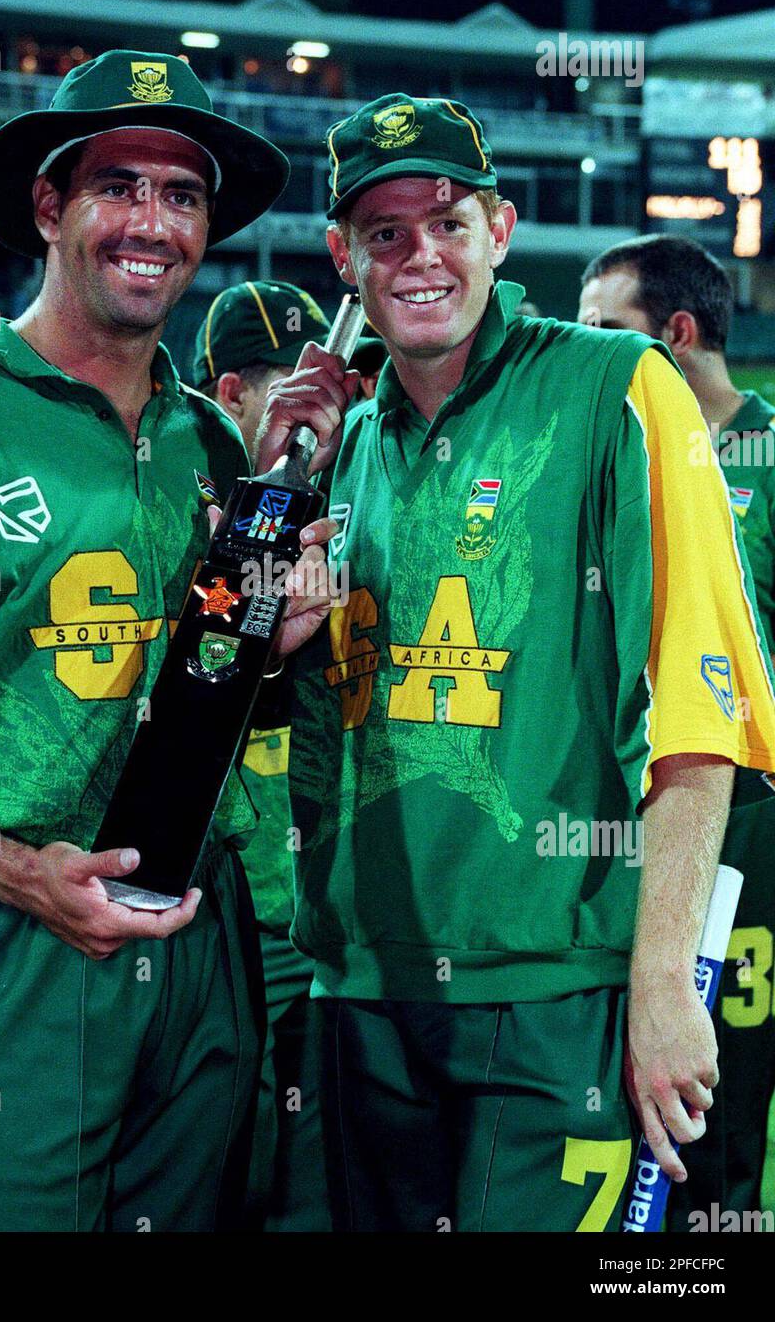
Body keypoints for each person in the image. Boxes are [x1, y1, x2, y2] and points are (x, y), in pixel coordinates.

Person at [0, 49, 347, 1232]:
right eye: (119, 185)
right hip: (12, 940)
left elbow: (205, 686)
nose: (150, 223)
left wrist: (279, 637)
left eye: (182, 194)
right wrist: (18, 870)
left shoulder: (216, 444)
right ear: (51, 207)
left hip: (201, 938)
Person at [253, 92, 775, 1231]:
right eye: (384, 234)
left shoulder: (618, 386)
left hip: (555, 995)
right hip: (358, 994)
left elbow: (703, 707)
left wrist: (661, 988)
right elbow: (259, 703)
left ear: (502, 226)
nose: (420, 255)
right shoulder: (328, 446)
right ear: (343, 257)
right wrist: (268, 500)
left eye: (448, 220)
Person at [580, 234, 775, 1227]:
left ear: (678, 334)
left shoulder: (767, 457)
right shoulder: (597, 458)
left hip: (746, 835)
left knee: (716, 1112)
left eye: (606, 329)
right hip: (621, 838)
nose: (585, 352)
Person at [192, 279, 337, 1231]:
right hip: (226, 913)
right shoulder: (196, 514)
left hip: (327, 930)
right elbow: (201, 681)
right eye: (287, 392)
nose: (311, 417)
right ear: (232, 390)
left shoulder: (348, 506)